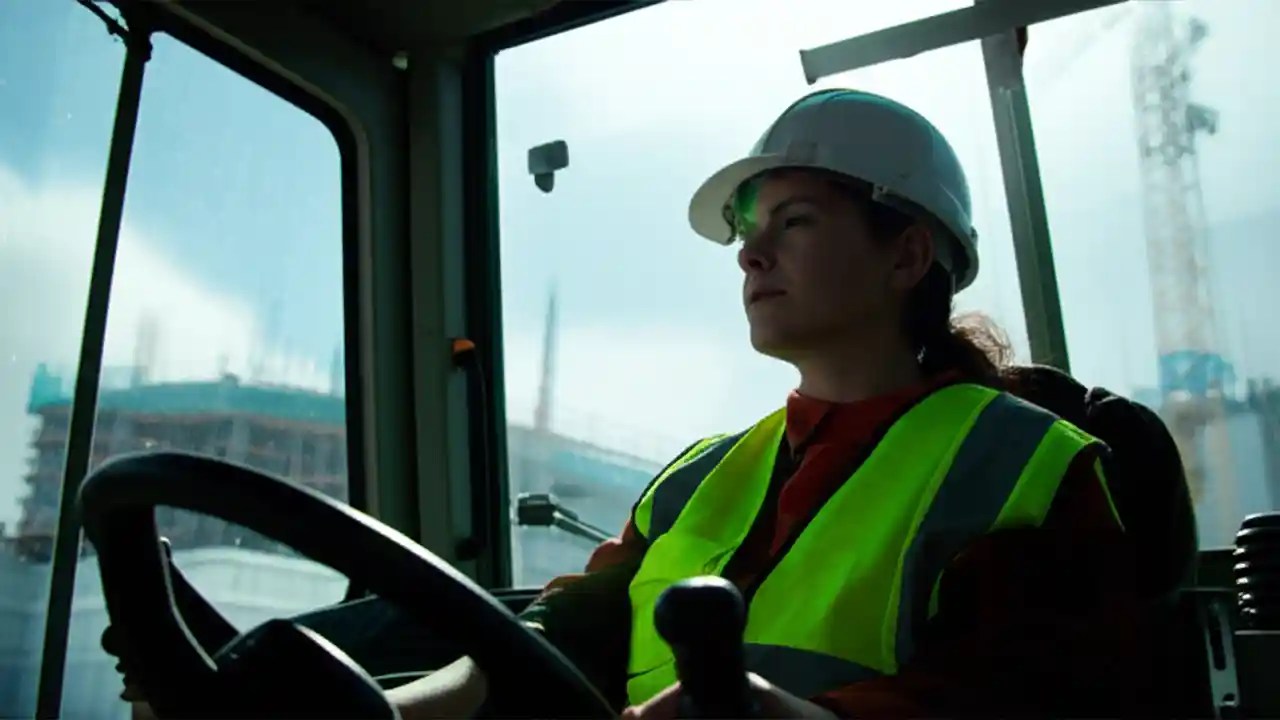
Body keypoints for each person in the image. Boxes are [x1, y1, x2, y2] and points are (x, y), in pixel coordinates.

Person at [115, 89, 1143, 719]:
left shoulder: (1031, 468)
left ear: (906, 253)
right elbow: (551, 647)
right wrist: (397, 706)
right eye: (747, 226)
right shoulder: (700, 474)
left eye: (792, 221)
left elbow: (1045, 694)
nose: (748, 251)